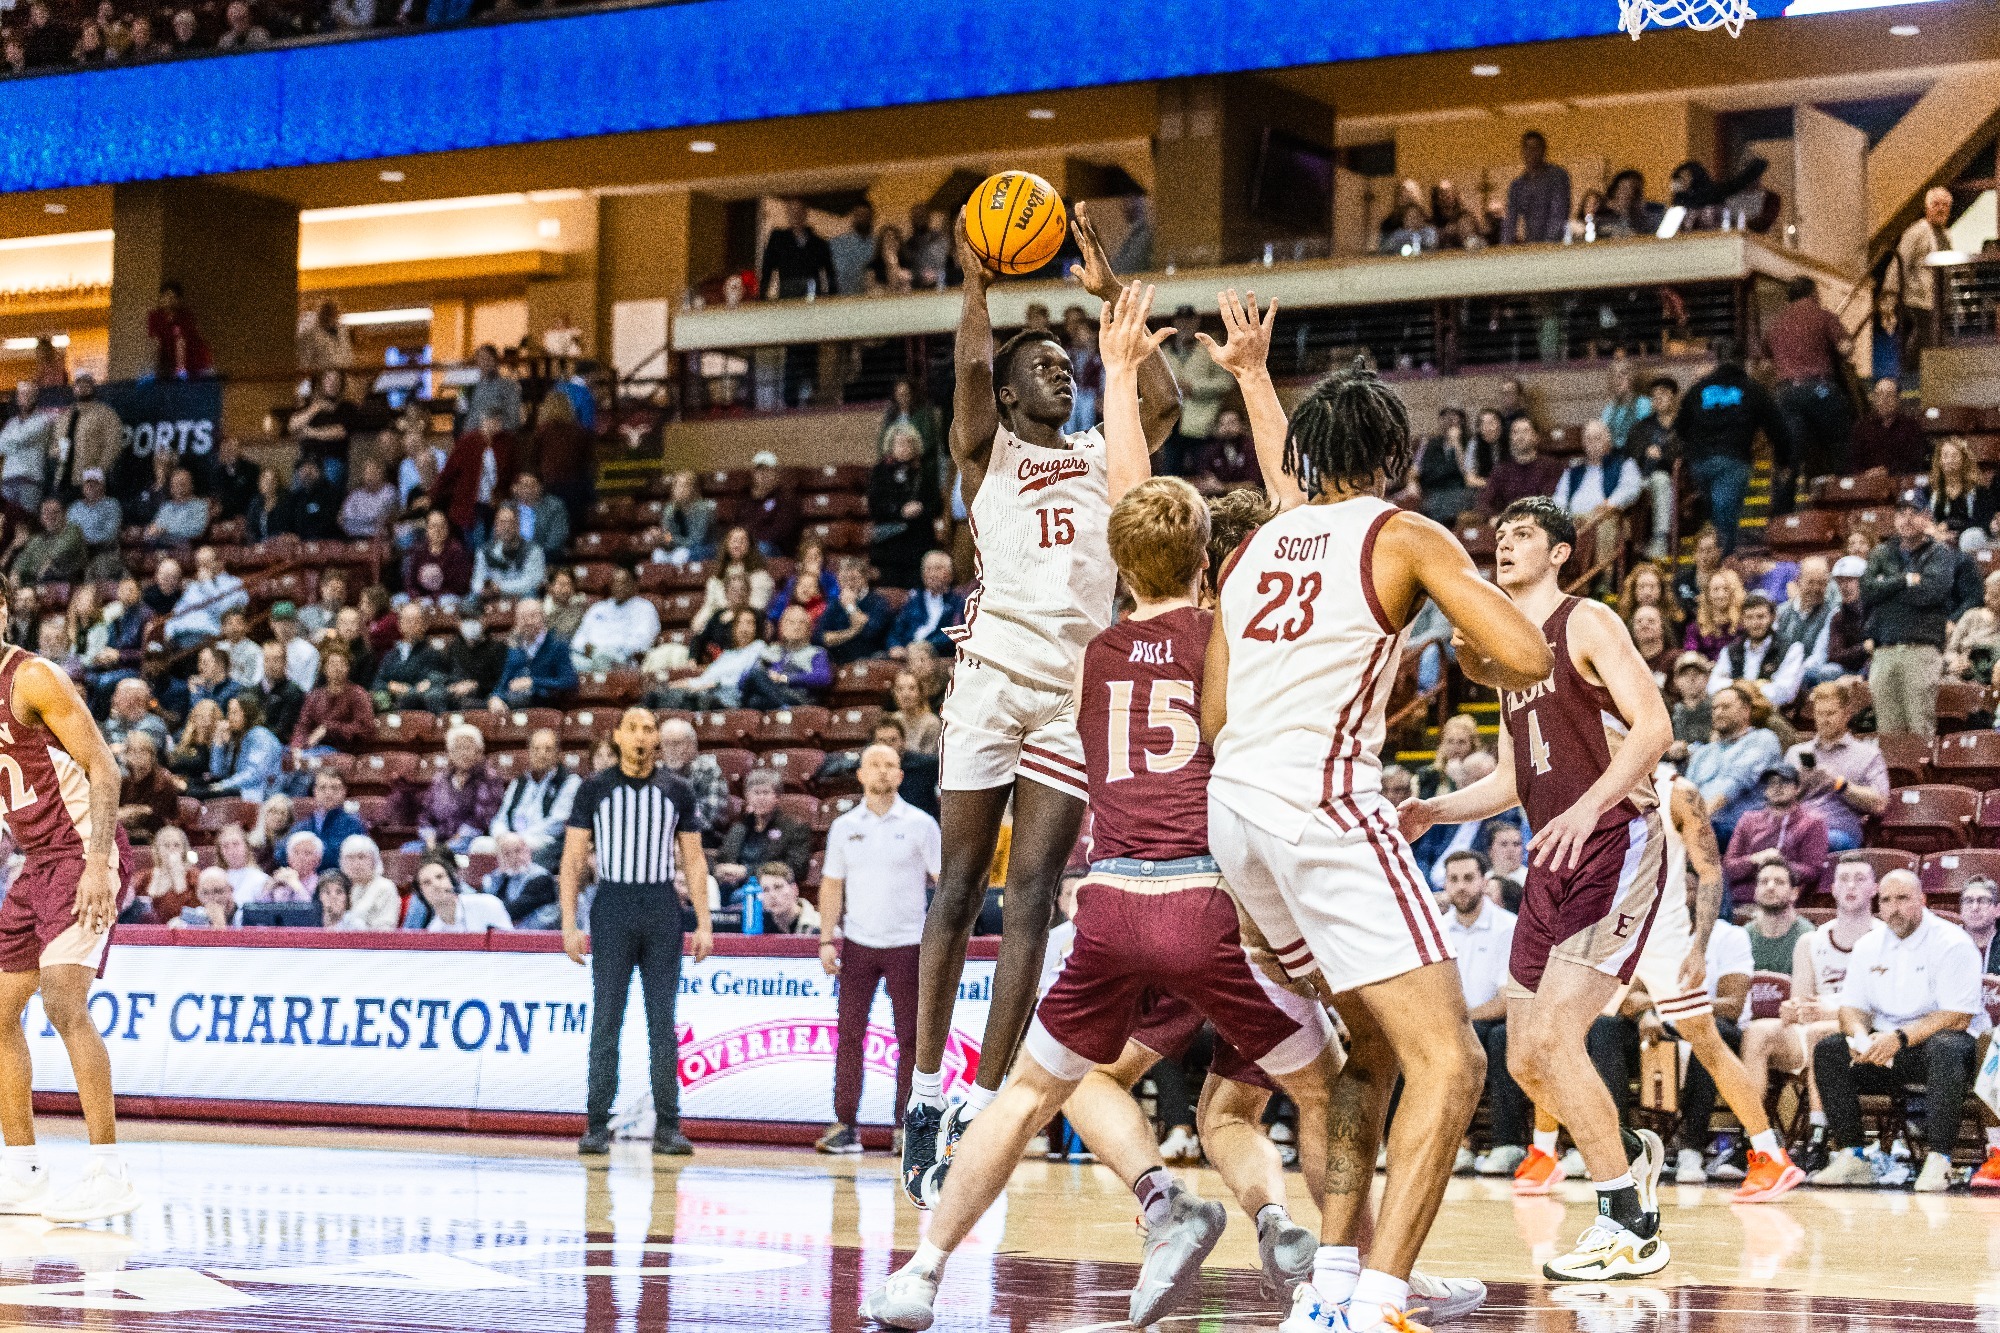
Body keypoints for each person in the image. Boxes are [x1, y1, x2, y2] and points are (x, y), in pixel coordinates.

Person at [865, 470, 1360, 1331]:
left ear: (1120, 568)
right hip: (1208, 901)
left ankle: (922, 1271)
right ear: (1208, 561)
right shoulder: (1226, 636)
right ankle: (1359, 1278)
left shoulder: (1093, 654)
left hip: (1112, 901)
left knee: (1029, 1092)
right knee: (1330, 1089)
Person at [1199, 298, 1548, 1327]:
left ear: (1307, 458)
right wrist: (1471, 649)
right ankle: (1381, 1301)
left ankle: (1334, 1281)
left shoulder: (1254, 549)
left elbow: (1214, 713)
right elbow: (1526, 655)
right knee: (1456, 1061)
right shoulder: (1404, 533)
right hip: (1322, 806)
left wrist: (1253, 377)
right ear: (1394, 458)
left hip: (1235, 815)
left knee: (1372, 1044)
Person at [899, 212, 1180, 1213]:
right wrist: (975, 290)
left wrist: (1112, 299)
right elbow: (970, 374)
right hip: (987, 675)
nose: (1062, 376)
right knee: (957, 887)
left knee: (1029, 900)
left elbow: (1163, 401)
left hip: (1071, 692)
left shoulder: (1105, 451)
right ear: (1011, 392)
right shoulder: (986, 455)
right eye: (1043, 368)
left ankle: (981, 1105)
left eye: (1068, 366)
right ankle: (923, 1095)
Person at [1400, 496, 1673, 1281]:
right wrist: (1436, 809)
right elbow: (1513, 778)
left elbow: (1654, 728)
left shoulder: (1587, 621)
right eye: (1500, 534)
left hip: (1614, 839)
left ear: (1559, 552)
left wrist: (1590, 805)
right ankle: (1629, 1160)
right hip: (1555, 852)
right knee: (1524, 1056)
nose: (1505, 543)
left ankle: (1629, 1225)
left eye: (1522, 534)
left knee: (1554, 1036)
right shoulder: (1508, 651)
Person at [0, 602, 141, 1222]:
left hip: (83, 851)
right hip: (35, 862)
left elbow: (104, 767)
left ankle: (109, 1171)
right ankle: (23, 1170)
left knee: (62, 999)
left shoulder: (32, 678)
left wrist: (98, 864)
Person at [561, 708, 712, 1156]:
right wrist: (568, 923)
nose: (642, 736)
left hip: (662, 907)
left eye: (649, 729)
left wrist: (704, 922)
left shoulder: (677, 790)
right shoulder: (594, 789)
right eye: (634, 729)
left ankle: (668, 1125)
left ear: (656, 739)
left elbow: (694, 859)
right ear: (618, 737)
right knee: (606, 1017)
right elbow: (572, 859)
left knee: (662, 1021)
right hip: (612, 906)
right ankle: (595, 1123)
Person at [1811, 869, 1982, 1194]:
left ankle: (1940, 1160)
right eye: (1886, 900)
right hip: (1885, 1049)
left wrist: (1899, 1039)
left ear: (1923, 900)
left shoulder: (1952, 942)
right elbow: (1851, 1007)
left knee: (1947, 1046)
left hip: (1940, 1052)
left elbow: (1957, 1016)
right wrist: (1861, 1039)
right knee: (1830, 1049)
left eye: (1903, 898)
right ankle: (1853, 1156)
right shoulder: (1868, 945)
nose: (1894, 908)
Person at [815, 744, 939, 1157]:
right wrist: (826, 939)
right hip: (858, 943)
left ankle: (906, 1127)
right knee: (849, 1035)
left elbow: (943, 881)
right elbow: (832, 885)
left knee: (911, 1039)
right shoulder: (843, 826)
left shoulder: (922, 824)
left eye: (890, 765)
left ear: (901, 775)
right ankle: (845, 1125)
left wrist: (941, 940)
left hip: (909, 943)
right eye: (874, 764)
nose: (882, 771)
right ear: (860, 774)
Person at [1437, 850, 1529, 1177]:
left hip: (1497, 1022)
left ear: (1483, 881)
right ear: (1445, 885)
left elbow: (1506, 1002)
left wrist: (1461, 1019)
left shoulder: (1508, 927)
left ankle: (1508, 1145)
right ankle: (1453, 1145)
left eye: (1468, 878)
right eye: (1454, 879)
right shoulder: (1438, 929)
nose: (1461, 886)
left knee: (1499, 1038)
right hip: (1452, 1023)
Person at [1676, 340, 1788, 555]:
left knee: (1716, 516)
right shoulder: (1752, 389)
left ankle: (1716, 558)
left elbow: (1681, 426)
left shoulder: (1698, 389)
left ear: (1717, 360)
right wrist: (1783, 461)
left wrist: (1695, 449)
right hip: (1733, 461)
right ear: (1743, 361)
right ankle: (1724, 561)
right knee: (1724, 518)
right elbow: (1777, 427)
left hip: (1700, 463)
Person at [1863, 494, 1956, 737]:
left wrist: (1886, 588)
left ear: (1927, 517)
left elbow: (1930, 593)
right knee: (1888, 733)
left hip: (1920, 649)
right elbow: (1867, 592)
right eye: (1901, 513)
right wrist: (1905, 580)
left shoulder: (1939, 553)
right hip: (1884, 650)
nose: (1906, 519)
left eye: (1913, 513)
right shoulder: (1882, 552)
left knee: (1919, 728)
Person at [1762, 276, 1855, 509]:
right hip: (1820, 390)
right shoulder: (1824, 316)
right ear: (1813, 294)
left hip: (1786, 395)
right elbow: (1846, 348)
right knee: (1841, 442)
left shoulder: (1776, 324)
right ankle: (1847, 496)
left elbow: (1765, 361)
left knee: (1787, 458)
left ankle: (1781, 517)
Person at [1720, 764, 1826, 907]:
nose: (1777, 787)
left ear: (1797, 788)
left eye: (1784, 782)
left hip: (1786, 902)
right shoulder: (1748, 820)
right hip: (1743, 901)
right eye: (1771, 783)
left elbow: (1813, 871)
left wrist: (1779, 864)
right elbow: (1728, 868)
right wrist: (1755, 859)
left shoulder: (1812, 823)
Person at [1884, 187, 1954, 376]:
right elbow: (1899, 263)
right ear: (1927, 208)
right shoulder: (1916, 232)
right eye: (1936, 204)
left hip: (1937, 301)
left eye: (1945, 205)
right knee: (1923, 339)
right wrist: (1889, 298)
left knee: (1936, 342)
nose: (1941, 209)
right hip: (1917, 300)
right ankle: (1910, 377)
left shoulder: (1946, 235)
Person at [490, 728, 579, 869]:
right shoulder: (518, 782)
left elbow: (558, 822)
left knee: (526, 847)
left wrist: (519, 839)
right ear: (529, 752)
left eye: (548, 749)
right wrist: (502, 836)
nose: (541, 754)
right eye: (536, 749)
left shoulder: (570, 781)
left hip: (543, 840)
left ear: (557, 753)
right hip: (510, 838)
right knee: (478, 845)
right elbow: (500, 817)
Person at [712, 769, 812, 893]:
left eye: (766, 793)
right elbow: (723, 858)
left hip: (769, 890)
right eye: (756, 793)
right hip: (731, 887)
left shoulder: (794, 828)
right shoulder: (739, 827)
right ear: (747, 797)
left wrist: (746, 872)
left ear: (777, 797)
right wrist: (721, 870)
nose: (761, 798)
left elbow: (796, 869)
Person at [868, 428, 938, 590]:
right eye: (900, 443)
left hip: (918, 543)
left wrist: (921, 508)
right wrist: (900, 510)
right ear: (891, 446)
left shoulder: (924, 472)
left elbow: (936, 504)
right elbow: (875, 506)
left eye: (909, 443)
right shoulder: (880, 471)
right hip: (889, 547)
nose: (904, 447)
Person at [1706, 592, 1804, 707]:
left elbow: (1785, 693)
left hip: (1771, 711)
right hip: (1734, 711)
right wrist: (1756, 686)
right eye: (1749, 617)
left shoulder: (1792, 649)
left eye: (1760, 617)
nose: (1755, 623)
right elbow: (1712, 687)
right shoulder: (1730, 650)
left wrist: (1736, 687)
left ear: (1772, 617)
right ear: (1742, 620)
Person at [488, 598, 577, 711]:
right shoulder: (514, 647)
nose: (528, 622)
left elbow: (569, 681)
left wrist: (533, 682)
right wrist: (495, 697)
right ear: (516, 622)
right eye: (523, 618)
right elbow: (504, 681)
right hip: (514, 701)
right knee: (476, 708)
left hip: (544, 703)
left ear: (543, 617)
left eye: (533, 616)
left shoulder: (557, 644)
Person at [291, 645, 376, 756]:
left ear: (348, 667)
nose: (337, 668)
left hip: (345, 751)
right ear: (324, 669)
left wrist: (330, 728)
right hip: (315, 748)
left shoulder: (358, 694)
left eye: (342, 663)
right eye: (332, 664)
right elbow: (303, 725)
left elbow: (365, 728)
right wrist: (297, 745)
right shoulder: (315, 696)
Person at [570, 567, 659, 671]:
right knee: (567, 660)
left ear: (634, 585)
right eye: (615, 582)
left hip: (622, 660)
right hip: (589, 658)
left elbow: (643, 642)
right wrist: (584, 647)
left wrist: (604, 648)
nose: (618, 587)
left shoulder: (644, 607)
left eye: (623, 583)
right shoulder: (598, 608)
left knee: (602, 656)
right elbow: (578, 640)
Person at [1477, 417, 1565, 517]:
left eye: (1525, 431)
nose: (1520, 436)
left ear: (1536, 437)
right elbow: (1484, 501)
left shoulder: (1551, 466)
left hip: (1539, 520)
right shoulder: (1501, 469)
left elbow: (1549, 501)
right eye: (1515, 432)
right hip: (1508, 521)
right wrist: (1493, 517)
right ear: (1510, 438)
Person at [288, 768, 366, 872]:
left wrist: (301, 853)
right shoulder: (305, 823)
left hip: (337, 877)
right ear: (315, 791)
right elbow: (281, 851)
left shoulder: (353, 823)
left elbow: (335, 857)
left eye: (334, 788)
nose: (328, 793)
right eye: (322, 788)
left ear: (344, 791)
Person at [888, 551, 963, 657]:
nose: (932, 574)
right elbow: (896, 630)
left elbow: (956, 632)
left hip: (935, 653)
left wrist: (927, 645)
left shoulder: (958, 602)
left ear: (950, 574)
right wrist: (894, 646)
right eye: (928, 569)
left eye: (938, 569)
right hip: (907, 651)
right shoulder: (914, 599)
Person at [1504, 130, 1571, 244]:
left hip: (1556, 244)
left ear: (1544, 150)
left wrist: (1548, 245)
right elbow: (1510, 220)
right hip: (1532, 243)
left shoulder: (1557, 176)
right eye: (1527, 148)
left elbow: (1558, 213)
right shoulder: (1517, 185)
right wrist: (1505, 248)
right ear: (1522, 152)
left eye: (1535, 148)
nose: (1531, 153)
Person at [114, 731, 181, 843]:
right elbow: (113, 813)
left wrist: (132, 811)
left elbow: (156, 814)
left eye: (143, 751)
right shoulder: (124, 781)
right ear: (126, 755)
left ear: (152, 755)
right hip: (128, 835)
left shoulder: (162, 781)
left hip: (159, 837)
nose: (138, 755)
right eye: (133, 751)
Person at [1850, 376, 1926, 475]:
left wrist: (1888, 471)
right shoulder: (1862, 426)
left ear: (1898, 399)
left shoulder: (1911, 426)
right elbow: (1853, 462)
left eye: (1889, 395)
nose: (1884, 400)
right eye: (1879, 395)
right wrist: (1867, 474)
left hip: (1900, 480)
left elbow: (1915, 462)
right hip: (1868, 481)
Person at [483, 831, 559, 927]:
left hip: (535, 933)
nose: (514, 857)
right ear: (498, 857)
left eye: (518, 851)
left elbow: (513, 911)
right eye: (507, 853)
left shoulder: (540, 878)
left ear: (528, 851)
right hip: (506, 932)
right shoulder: (495, 878)